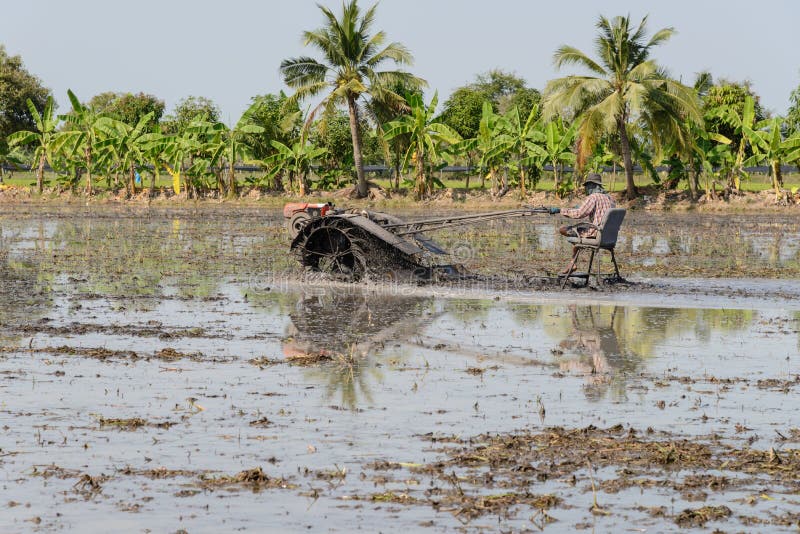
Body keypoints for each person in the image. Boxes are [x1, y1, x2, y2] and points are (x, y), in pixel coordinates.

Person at [548, 173, 615, 274]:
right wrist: (577, 208)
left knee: (564, 229)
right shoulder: (611, 199)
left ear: (592, 185)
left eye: (587, 186)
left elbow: (579, 214)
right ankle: (572, 262)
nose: (586, 189)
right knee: (578, 234)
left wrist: (559, 210)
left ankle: (573, 262)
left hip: (596, 234)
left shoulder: (593, 197)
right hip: (609, 237)